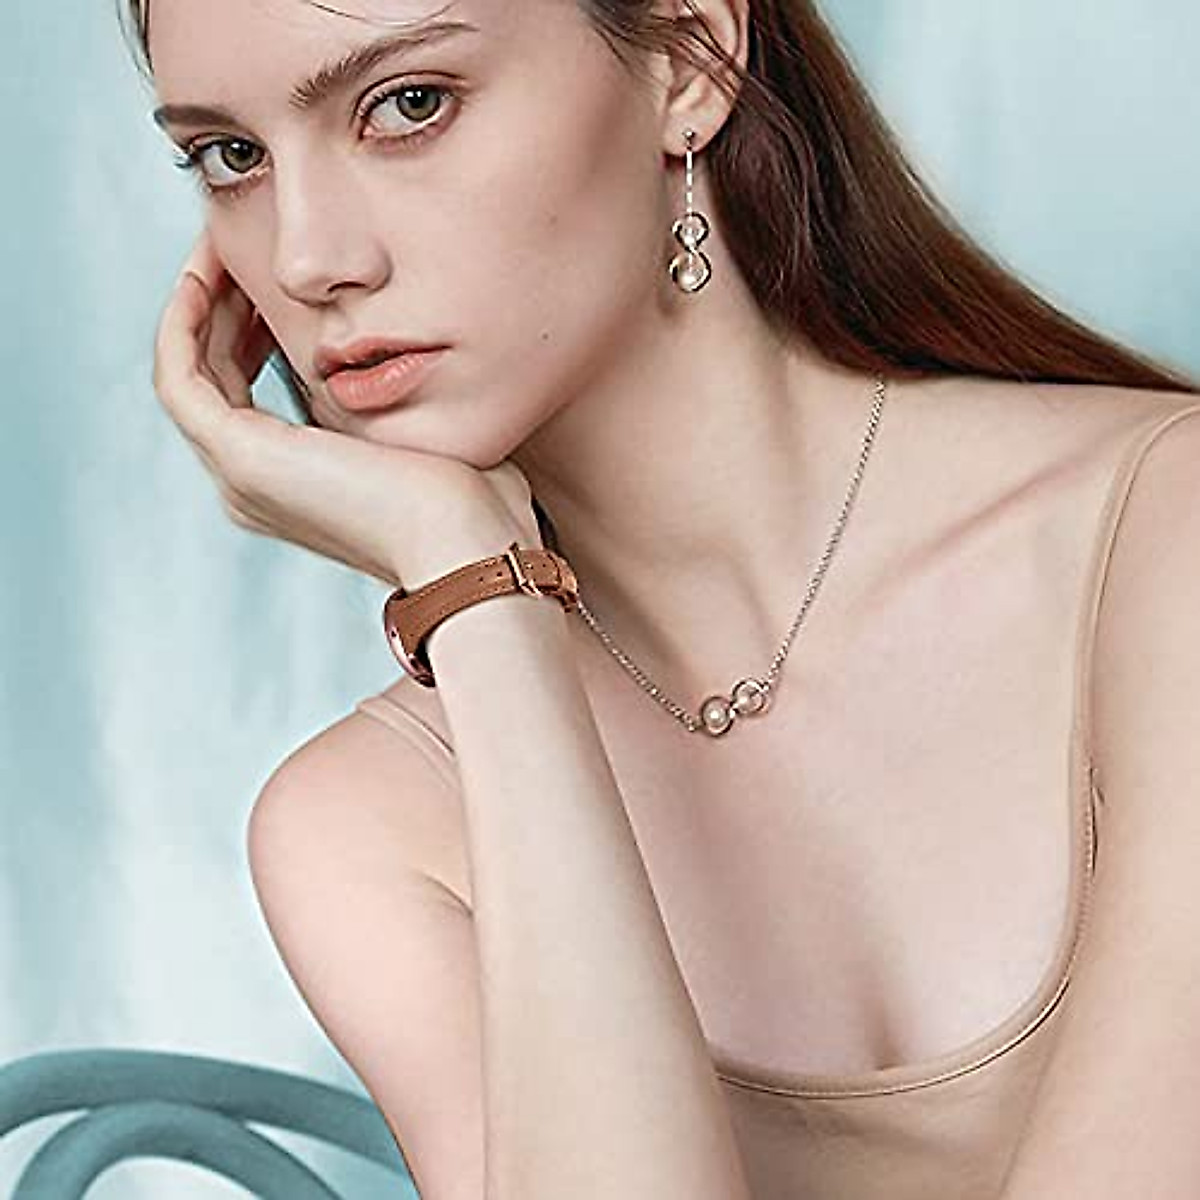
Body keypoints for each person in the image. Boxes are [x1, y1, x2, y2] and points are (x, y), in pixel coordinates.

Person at [126, 0, 1200, 1196]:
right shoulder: (368, 822)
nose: (308, 259)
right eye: (233, 156)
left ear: (687, 62)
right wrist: (478, 594)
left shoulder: (1168, 535)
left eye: (409, 105)